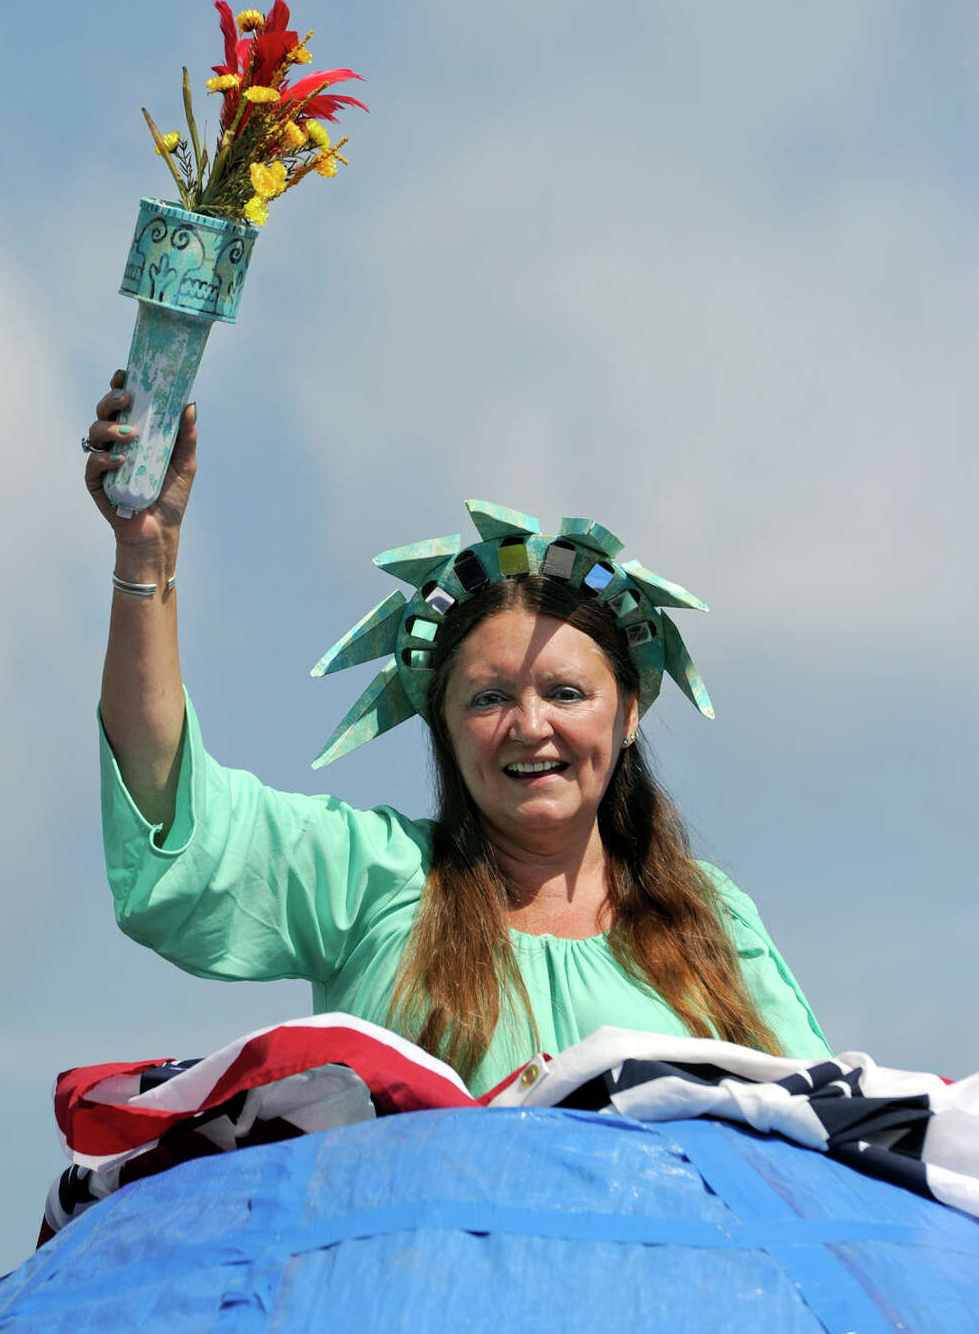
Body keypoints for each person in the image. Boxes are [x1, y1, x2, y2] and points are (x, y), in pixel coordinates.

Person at [85, 375, 831, 1095]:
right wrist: (146, 557)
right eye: (489, 697)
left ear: (629, 711)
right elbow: (169, 810)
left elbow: (827, 1129)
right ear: (440, 718)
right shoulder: (370, 879)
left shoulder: (712, 922)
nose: (530, 725)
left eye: (566, 692)